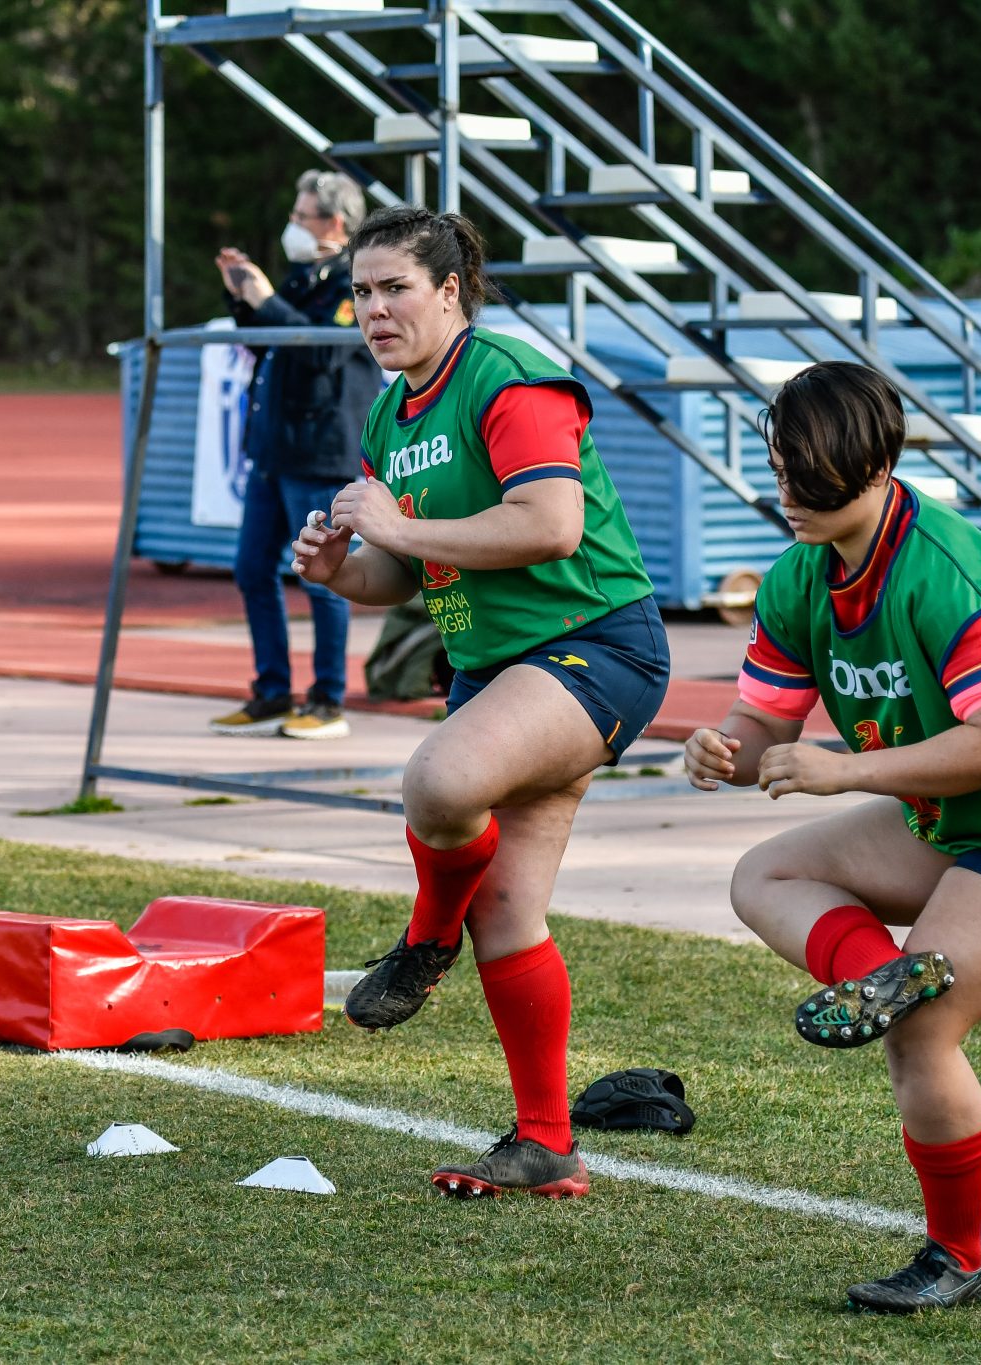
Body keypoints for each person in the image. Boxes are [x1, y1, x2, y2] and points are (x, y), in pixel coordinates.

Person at [683, 362, 981, 1312]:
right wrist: (719, 749)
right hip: (956, 813)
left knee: (925, 1031)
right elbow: (762, 733)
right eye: (781, 471)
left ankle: (956, 1258)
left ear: (879, 463)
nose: (791, 497)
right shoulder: (800, 575)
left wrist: (844, 768)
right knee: (765, 871)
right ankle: (876, 980)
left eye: (810, 475)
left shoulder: (947, 568)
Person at [291, 206, 669, 1199]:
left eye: (393, 289)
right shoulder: (389, 416)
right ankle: (546, 1144)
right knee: (506, 909)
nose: (372, 310)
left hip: (594, 645)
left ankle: (423, 937)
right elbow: (397, 580)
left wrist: (398, 533)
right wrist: (341, 571)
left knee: (440, 778)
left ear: (450, 291)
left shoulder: (504, 377)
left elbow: (549, 525)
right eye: (361, 293)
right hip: (495, 668)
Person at [209, 170, 379, 740]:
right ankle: (272, 691)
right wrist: (243, 298)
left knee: (323, 576)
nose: (292, 227)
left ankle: (327, 700)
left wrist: (266, 300)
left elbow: (319, 356)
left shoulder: (356, 281)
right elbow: (270, 341)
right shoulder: (305, 275)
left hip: (322, 450)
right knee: (252, 569)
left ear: (333, 223)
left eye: (301, 217)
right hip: (274, 449)